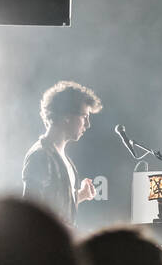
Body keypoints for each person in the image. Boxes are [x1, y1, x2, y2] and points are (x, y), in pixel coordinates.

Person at [21, 81, 102, 227]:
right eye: (84, 117)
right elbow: (30, 213)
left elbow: (55, 207)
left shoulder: (63, 159)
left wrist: (81, 195)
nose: (88, 124)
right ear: (67, 116)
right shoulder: (41, 156)